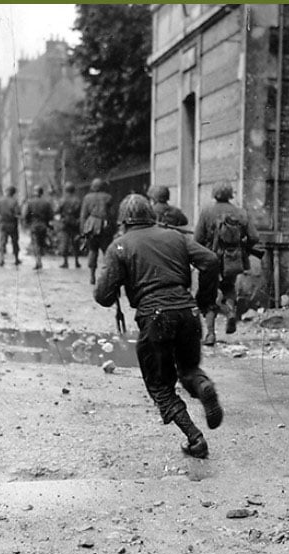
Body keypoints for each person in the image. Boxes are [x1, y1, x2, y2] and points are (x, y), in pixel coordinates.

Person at [94, 194, 224, 459]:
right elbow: (210, 260)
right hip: (188, 312)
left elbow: (102, 296)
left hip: (155, 318)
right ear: (150, 215)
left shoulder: (119, 246)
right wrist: (203, 300)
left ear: (123, 221)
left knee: (161, 387)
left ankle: (195, 439)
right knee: (189, 370)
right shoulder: (175, 237)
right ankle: (205, 388)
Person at [193, 181, 262, 345]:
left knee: (208, 296)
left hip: (210, 259)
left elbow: (197, 239)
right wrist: (243, 248)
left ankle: (210, 334)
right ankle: (231, 311)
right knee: (229, 288)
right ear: (231, 194)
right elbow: (254, 237)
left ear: (214, 194)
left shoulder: (206, 212)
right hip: (233, 259)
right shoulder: (240, 212)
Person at [79, 178, 114, 286]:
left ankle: (92, 275)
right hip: (105, 227)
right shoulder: (108, 197)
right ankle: (107, 275)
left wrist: (83, 230)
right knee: (107, 252)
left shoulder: (87, 198)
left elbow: (83, 215)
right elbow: (112, 214)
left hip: (91, 227)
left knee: (92, 250)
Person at [22, 185, 54, 270]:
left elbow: (25, 215)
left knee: (35, 244)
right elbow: (51, 215)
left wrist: (27, 224)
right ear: (42, 193)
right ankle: (39, 259)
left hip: (34, 225)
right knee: (41, 243)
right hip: (43, 225)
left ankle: (38, 261)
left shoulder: (30, 202)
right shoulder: (46, 203)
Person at [0, 185, 22, 267]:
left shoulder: (0, 201)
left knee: (2, 242)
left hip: (3, 224)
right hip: (12, 224)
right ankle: (16, 259)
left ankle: (1, 260)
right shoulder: (14, 201)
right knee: (15, 242)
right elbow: (18, 213)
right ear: (13, 193)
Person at [56, 181, 83, 269]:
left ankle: (65, 262)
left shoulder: (62, 200)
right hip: (75, 223)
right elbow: (80, 212)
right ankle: (76, 261)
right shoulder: (77, 200)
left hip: (65, 223)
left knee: (64, 242)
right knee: (75, 243)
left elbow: (57, 210)